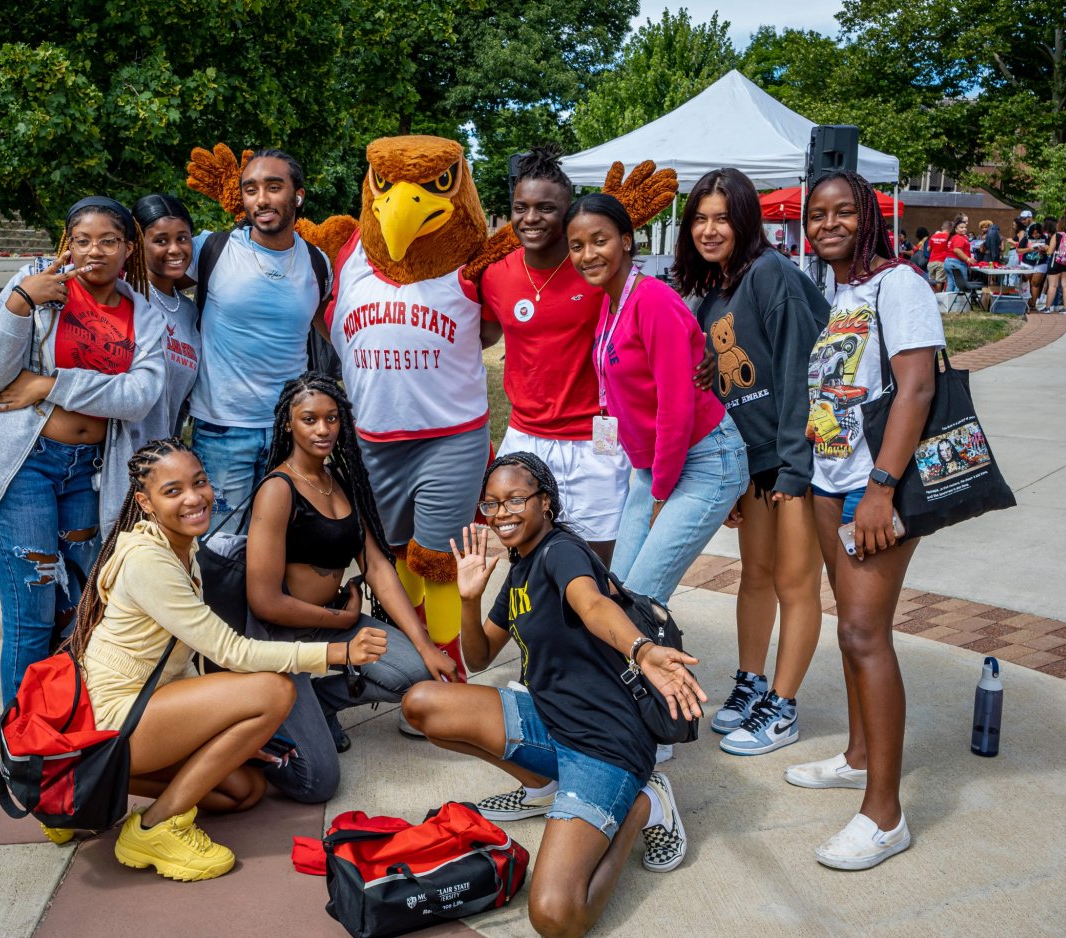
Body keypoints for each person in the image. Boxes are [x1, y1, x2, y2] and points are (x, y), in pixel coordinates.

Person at [401, 453, 707, 938]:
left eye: (515, 500)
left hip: (604, 744)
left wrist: (642, 649)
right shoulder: (520, 569)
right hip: (551, 720)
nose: (501, 513)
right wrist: (468, 599)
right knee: (422, 704)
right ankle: (543, 789)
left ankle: (645, 805)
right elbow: (478, 658)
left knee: (555, 916)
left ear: (545, 502)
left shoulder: (562, 551)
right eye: (491, 504)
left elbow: (592, 605)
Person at [67, 437, 388, 881]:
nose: (194, 498)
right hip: (116, 718)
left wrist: (224, 727)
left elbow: (183, 662)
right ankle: (154, 828)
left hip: (143, 707)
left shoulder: (180, 547)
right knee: (273, 691)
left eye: (199, 482)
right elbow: (233, 652)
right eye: (173, 491)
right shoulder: (148, 562)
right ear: (145, 502)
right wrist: (337, 652)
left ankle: (74, 789)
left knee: (243, 790)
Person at [0, 196, 165, 704]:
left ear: (128, 248)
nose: (95, 251)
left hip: (89, 474)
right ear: (68, 244)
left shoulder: (143, 315)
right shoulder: (36, 284)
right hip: (20, 468)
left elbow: (139, 396)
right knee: (32, 612)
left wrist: (49, 385)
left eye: (109, 241)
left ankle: (65, 720)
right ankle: (19, 738)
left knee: (83, 607)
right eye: (83, 240)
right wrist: (19, 303)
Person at [790, 170, 942, 871]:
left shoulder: (898, 284)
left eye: (843, 211)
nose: (828, 224)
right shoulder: (837, 293)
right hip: (830, 477)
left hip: (871, 485)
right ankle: (858, 757)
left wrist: (882, 486)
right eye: (816, 214)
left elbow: (917, 387)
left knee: (863, 633)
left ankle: (885, 816)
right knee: (849, 630)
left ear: (869, 217)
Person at [674, 168, 829, 756]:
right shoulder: (711, 292)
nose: (709, 230)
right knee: (756, 576)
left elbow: (798, 375)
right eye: (700, 218)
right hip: (751, 461)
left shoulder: (771, 274)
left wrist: (794, 469)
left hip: (795, 460)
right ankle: (752, 682)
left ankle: (783, 708)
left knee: (794, 583)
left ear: (746, 221)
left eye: (723, 218)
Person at [246, 374, 453, 802]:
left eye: (332, 418)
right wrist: (342, 619)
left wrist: (425, 643)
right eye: (309, 419)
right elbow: (264, 602)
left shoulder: (340, 478)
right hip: (280, 637)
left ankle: (319, 702)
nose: (323, 429)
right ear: (288, 423)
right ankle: (258, 728)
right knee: (317, 783)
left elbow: (376, 566)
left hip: (334, 623)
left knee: (416, 672)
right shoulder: (277, 490)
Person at [565, 193, 749, 610]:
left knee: (641, 604)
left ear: (626, 241)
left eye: (599, 241)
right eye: (577, 246)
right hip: (654, 467)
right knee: (618, 597)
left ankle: (653, 655)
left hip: (703, 460)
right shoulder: (610, 303)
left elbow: (676, 406)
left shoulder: (652, 300)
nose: (588, 255)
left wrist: (662, 495)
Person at [478, 147, 632, 565]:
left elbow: (650, 321)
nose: (531, 218)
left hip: (595, 438)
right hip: (525, 437)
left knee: (596, 562)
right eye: (521, 208)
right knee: (524, 556)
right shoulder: (495, 275)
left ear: (568, 213)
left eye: (546, 208)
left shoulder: (597, 268)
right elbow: (480, 335)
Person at [185, 149, 331, 531]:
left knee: (285, 545)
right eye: (250, 189)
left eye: (274, 187)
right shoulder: (210, 249)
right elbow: (146, 275)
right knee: (222, 548)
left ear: (298, 196)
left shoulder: (318, 262)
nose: (261, 199)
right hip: (222, 429)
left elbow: (336, 332)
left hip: (292, 430)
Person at [131, 194, 199, 440]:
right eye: (161, 240)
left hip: (163, 453)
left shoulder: (189, 311)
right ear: (137, 245)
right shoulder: (126, 296)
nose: (175, 249)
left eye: (182, 238)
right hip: (117, 452)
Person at [1041, 214, 1066, 313]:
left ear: (1060, 224)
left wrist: (1046, 248)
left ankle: (1047, 308)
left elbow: (1050, 252)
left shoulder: (1057, 235)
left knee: (1052, 286)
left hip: (1056, 262)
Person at [943, 219, 973, 296]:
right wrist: (968, 259)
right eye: (961, 227)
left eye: (965, 227)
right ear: (956, 229)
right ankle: (956, 301)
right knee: (959, 285)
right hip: (957, 263)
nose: (964, 229)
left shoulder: (954, 237)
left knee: (951, 283)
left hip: (949, 262)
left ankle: (948, 301)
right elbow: (957, 250)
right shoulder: (959, 238)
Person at [924, 221, 951, 291]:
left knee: (931, 282)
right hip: (941, 261)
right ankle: (938, 296)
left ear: (942, 227)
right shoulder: (949, 237)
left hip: (931, 262)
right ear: (950, 228)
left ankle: (932, 295)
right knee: (939, 281)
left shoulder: (934, 236)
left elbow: (928, 249)